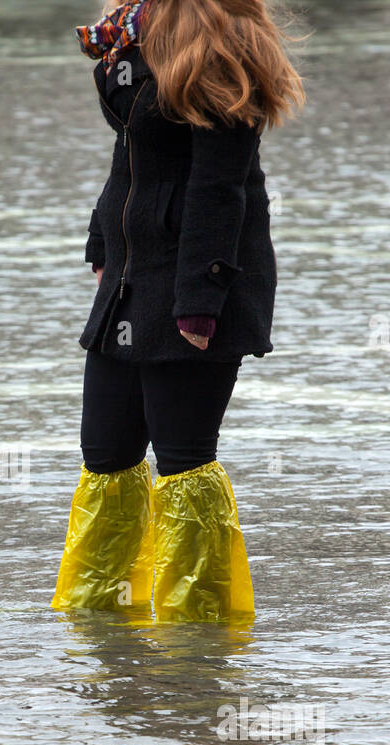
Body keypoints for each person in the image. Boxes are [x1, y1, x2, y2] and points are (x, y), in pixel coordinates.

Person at [52, 0, 304, 622]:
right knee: (105, 453)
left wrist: (200, 302)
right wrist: (101, 239)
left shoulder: (224, 48)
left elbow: (221, 191)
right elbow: (131, 156)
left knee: (185, 459)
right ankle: (98, 613)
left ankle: (199, 627)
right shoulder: (133, 34)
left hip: (199, 280)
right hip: (134, 274)